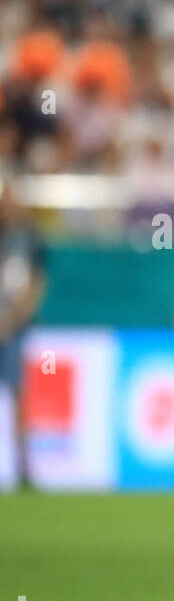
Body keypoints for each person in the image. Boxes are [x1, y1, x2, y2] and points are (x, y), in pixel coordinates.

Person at [0, 180, 45, 489]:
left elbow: (36, 282)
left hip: (13, 327)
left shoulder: (28, 238)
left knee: (19, 394)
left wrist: (13, 318)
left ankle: (23, 467)